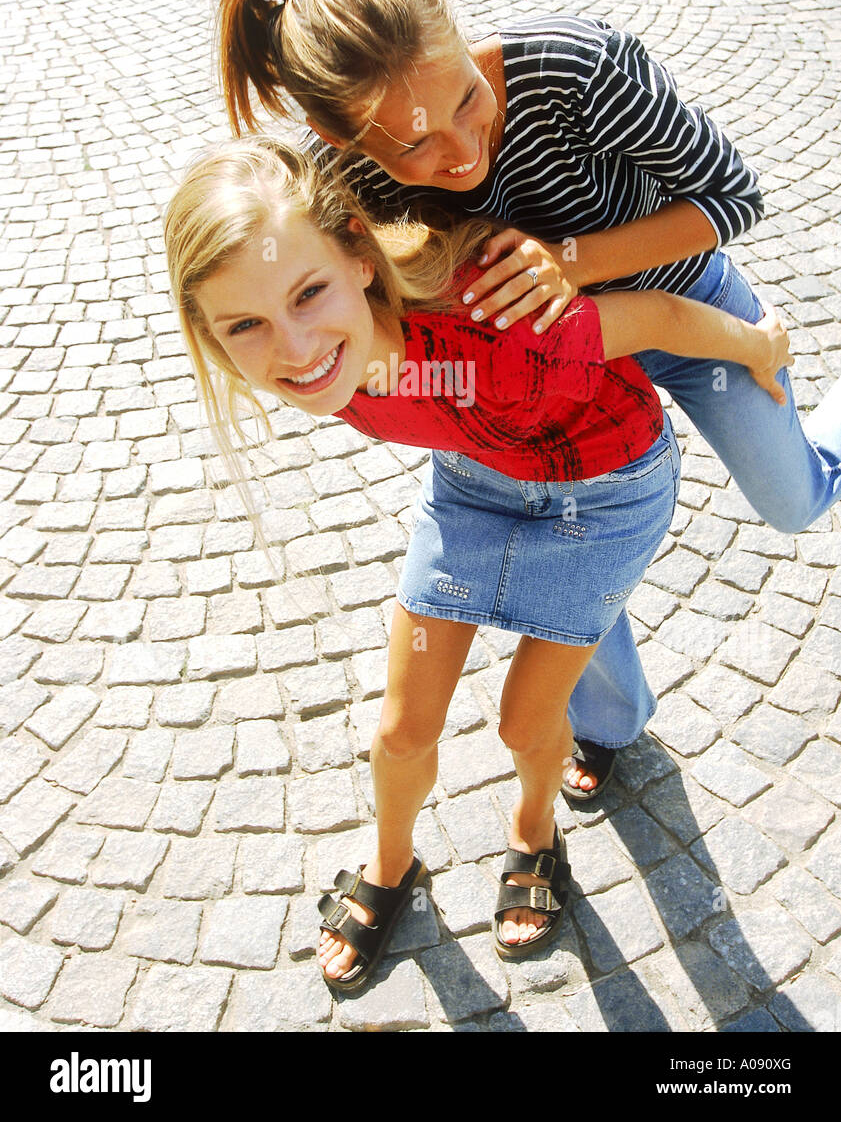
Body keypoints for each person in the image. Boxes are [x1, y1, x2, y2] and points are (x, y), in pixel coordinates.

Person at [214, 0, 841, 802]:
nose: (461, 155)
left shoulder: (578, 68)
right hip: (549, 379)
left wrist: (570, 262)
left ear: (459, 33)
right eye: (413, 147)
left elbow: (733, 196)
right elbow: (335, 303)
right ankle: (608, 727)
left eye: (468, 101)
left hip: (678, 301)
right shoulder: (341, 179)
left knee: (791, 500)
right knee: (574, 543)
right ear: (340, 137)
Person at [164, 135, 791, 987]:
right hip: (474, 481)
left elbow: (658, 319)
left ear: (356, 256)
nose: (295, 349)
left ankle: (535, 833)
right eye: (246, 325)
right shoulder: (324, 362)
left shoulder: (495, 327)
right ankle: (391, 867)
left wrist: (756, 349)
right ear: (210, 331)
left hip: (601, 495)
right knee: (399, 729)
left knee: (524, 723)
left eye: (308, 293)